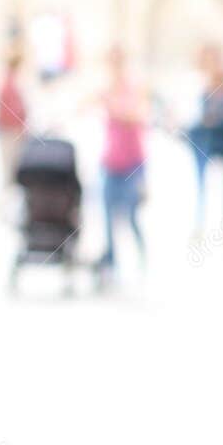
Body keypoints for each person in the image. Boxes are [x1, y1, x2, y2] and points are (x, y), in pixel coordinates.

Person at [95, 47, 147, 276]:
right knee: (106, 213)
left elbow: (135, 116)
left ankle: (141, 256)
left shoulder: (132, 88)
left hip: (133, 163)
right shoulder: (107, 89)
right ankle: (110, 259)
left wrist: (112, 105)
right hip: (111, 162)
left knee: (131, 214)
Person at [186, 44, 223, 235]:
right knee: (200, 184)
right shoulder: (197, 82)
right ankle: (199, 225)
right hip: (200, 138)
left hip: (222, 137)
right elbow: (194, 113)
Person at [0, 51, 28, 185]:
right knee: (10, 167)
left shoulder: (12, 81)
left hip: (11, 129)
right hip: (9, 130)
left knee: (12, 165)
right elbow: (10, 109)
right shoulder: (9, 83)